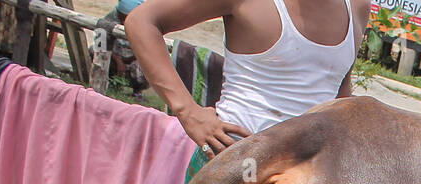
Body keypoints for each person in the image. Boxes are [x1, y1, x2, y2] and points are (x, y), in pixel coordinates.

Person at [125, 0, 371, 155]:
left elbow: (338, 86)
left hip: (309, 177)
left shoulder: (357, 6)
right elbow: (142, 21)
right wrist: (187, 111)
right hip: (233, 160)